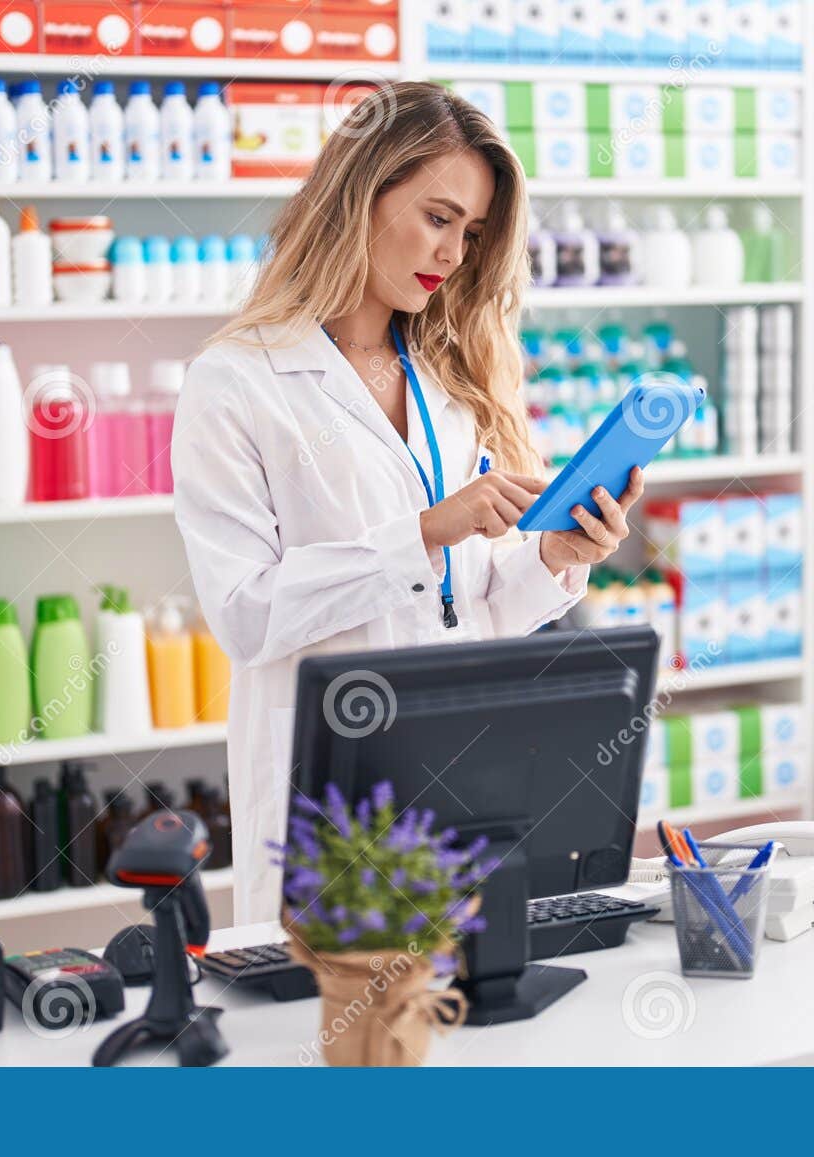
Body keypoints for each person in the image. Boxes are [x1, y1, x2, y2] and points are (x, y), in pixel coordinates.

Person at [174, 82, 645, 923]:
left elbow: (472, 608)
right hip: (324, 797)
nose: (456, 252)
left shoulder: (448, 382)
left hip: (465, 775)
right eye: (438, 217)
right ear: (361, 193)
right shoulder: (236, 380)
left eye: (471, 231)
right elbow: (245, 615)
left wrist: (553, 557)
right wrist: (429, 530)